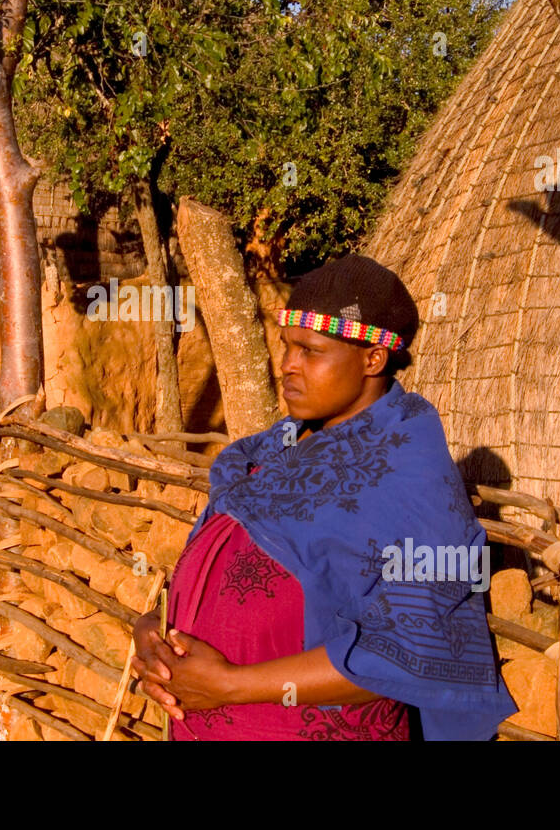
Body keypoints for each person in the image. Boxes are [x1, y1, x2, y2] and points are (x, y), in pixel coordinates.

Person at [130, 253, 517, 740]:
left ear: (372, 358)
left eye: (311, 351)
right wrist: (153, 630)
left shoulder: (408, 477)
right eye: (286, 346)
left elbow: (414, 645)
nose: (287, 366)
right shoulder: (269, 454)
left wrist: (232, 686)